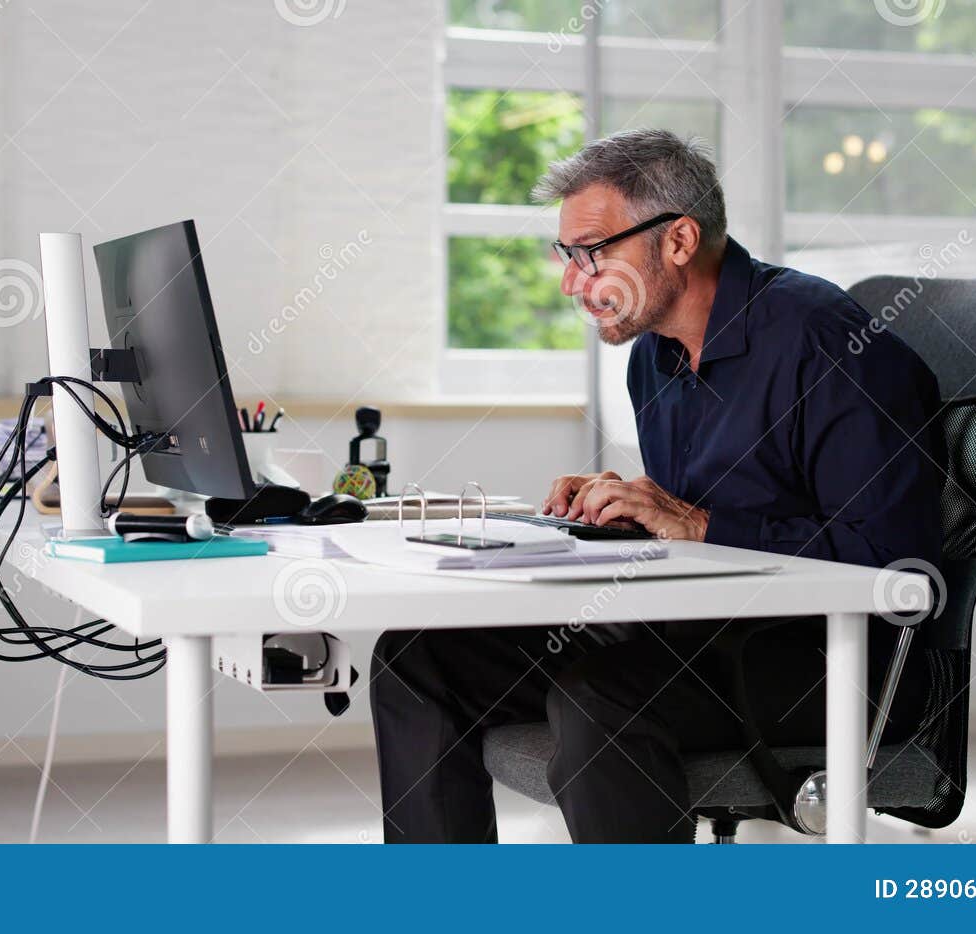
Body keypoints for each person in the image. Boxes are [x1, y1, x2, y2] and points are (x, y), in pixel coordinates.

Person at [370, 129, 945, 843]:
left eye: (591, 253)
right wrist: (633, 513)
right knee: (422, 655)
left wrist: (697, 524)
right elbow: (703, 520)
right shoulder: (656, 357)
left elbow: (896, 563)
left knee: (600, 697)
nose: (571, 282)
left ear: (677, 240)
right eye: (567, 256)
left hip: (826, 661)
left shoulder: (821, 341)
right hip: (700, 632)